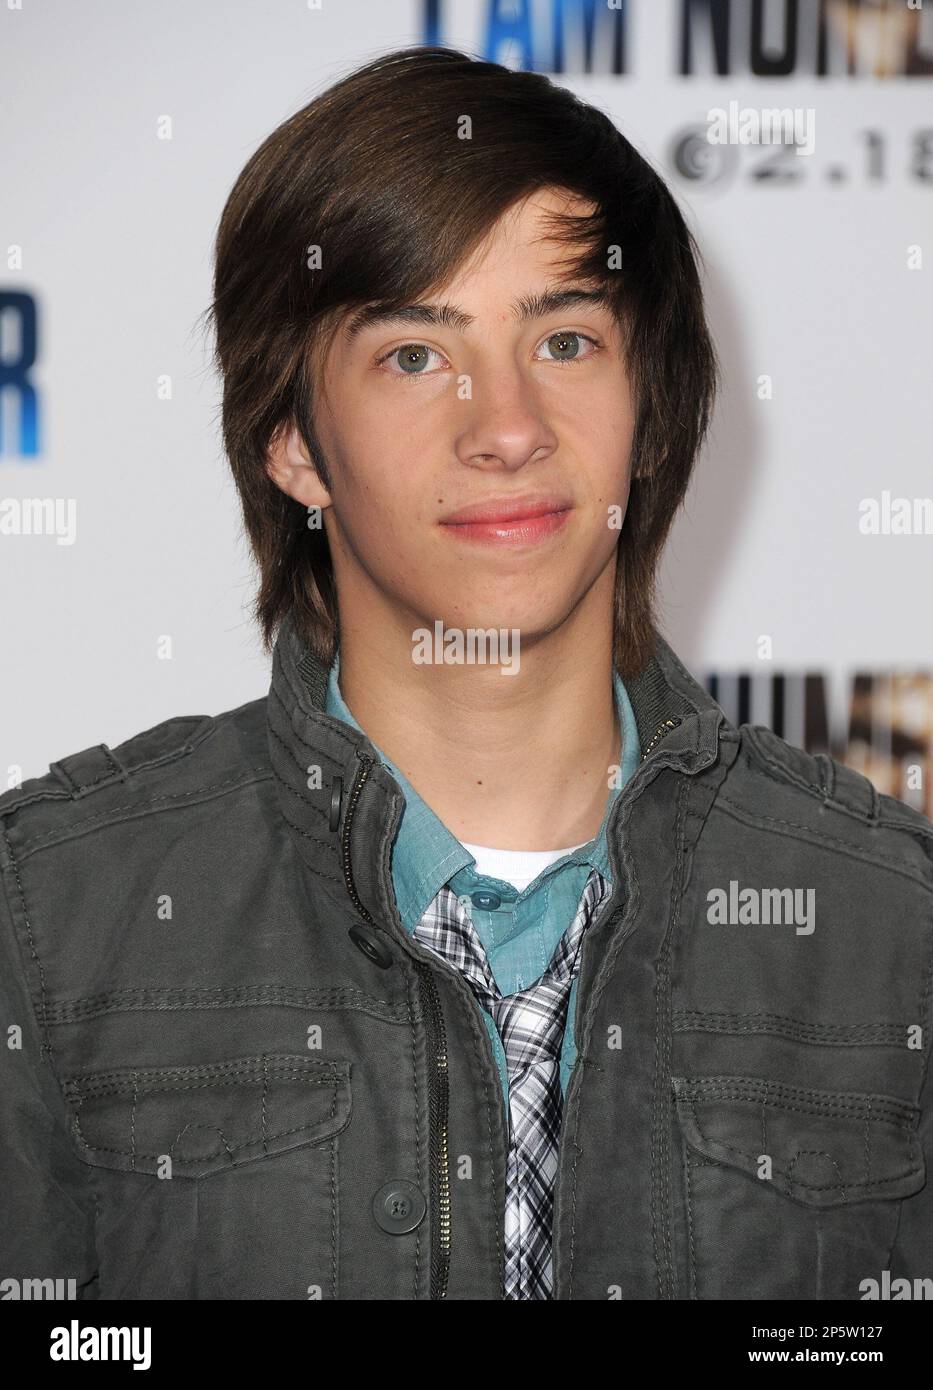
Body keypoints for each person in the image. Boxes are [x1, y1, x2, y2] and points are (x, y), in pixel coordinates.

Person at [1, 45, 930, 1302]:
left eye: (564, 340)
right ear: (291, 443)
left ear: (651, 405)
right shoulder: (50, 916)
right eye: (413, 355)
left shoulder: (887, 923)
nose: (506, 427)